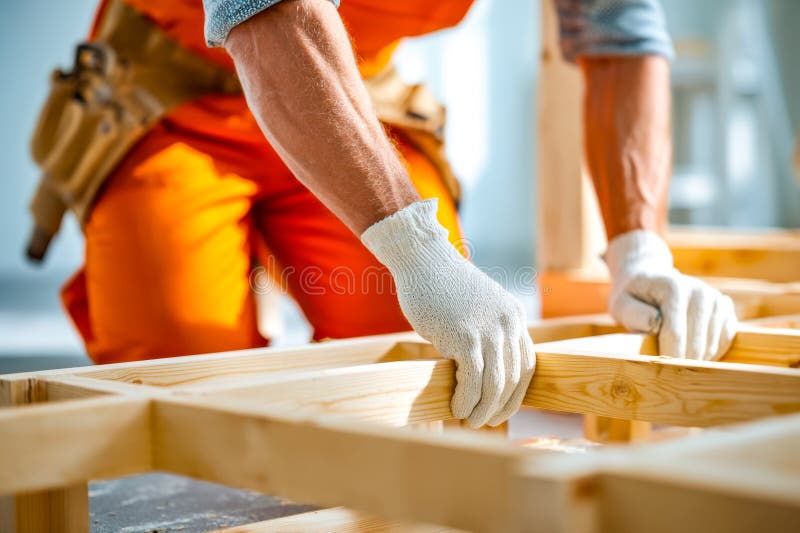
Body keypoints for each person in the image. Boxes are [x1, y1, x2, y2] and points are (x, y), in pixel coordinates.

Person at [202, 0, 738, 428]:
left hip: (347, 107)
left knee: (416, 358)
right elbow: (264, 12)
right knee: (185, 364)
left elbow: (619, 30)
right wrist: (414, 249)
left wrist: (639, 251)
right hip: (176, 105)